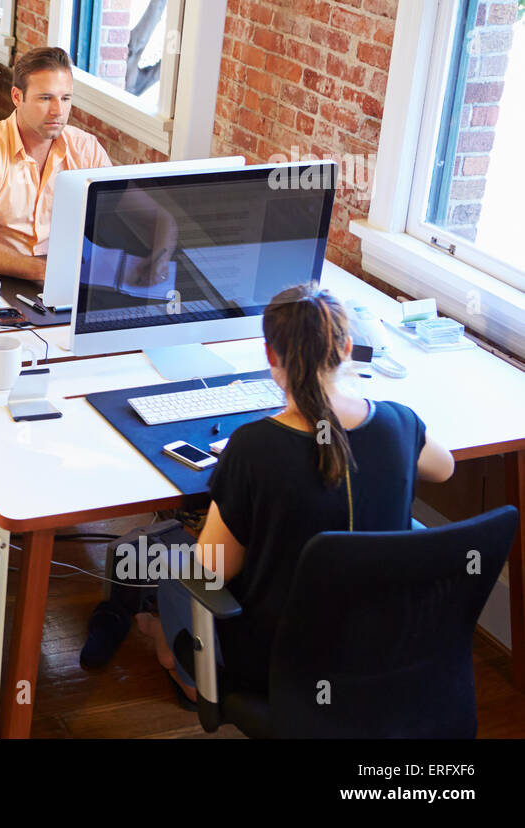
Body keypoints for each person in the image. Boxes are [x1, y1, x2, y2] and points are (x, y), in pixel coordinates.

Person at [137, 284, 455, 702]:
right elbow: (444, 468)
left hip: (278, 661)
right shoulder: (398, 422)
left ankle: (188, 676)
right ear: (346, 349)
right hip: (382, 647)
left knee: (176, 565)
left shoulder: (253, 447)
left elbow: (211, 570)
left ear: (270, 356)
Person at [0, 46, 113, 282]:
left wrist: (163, 234)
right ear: (17, 97)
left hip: (63, 280)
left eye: (65, 98)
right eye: (45, 98)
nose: (58, 110)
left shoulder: (86, 149)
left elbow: (123, 206)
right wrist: (47, 272)